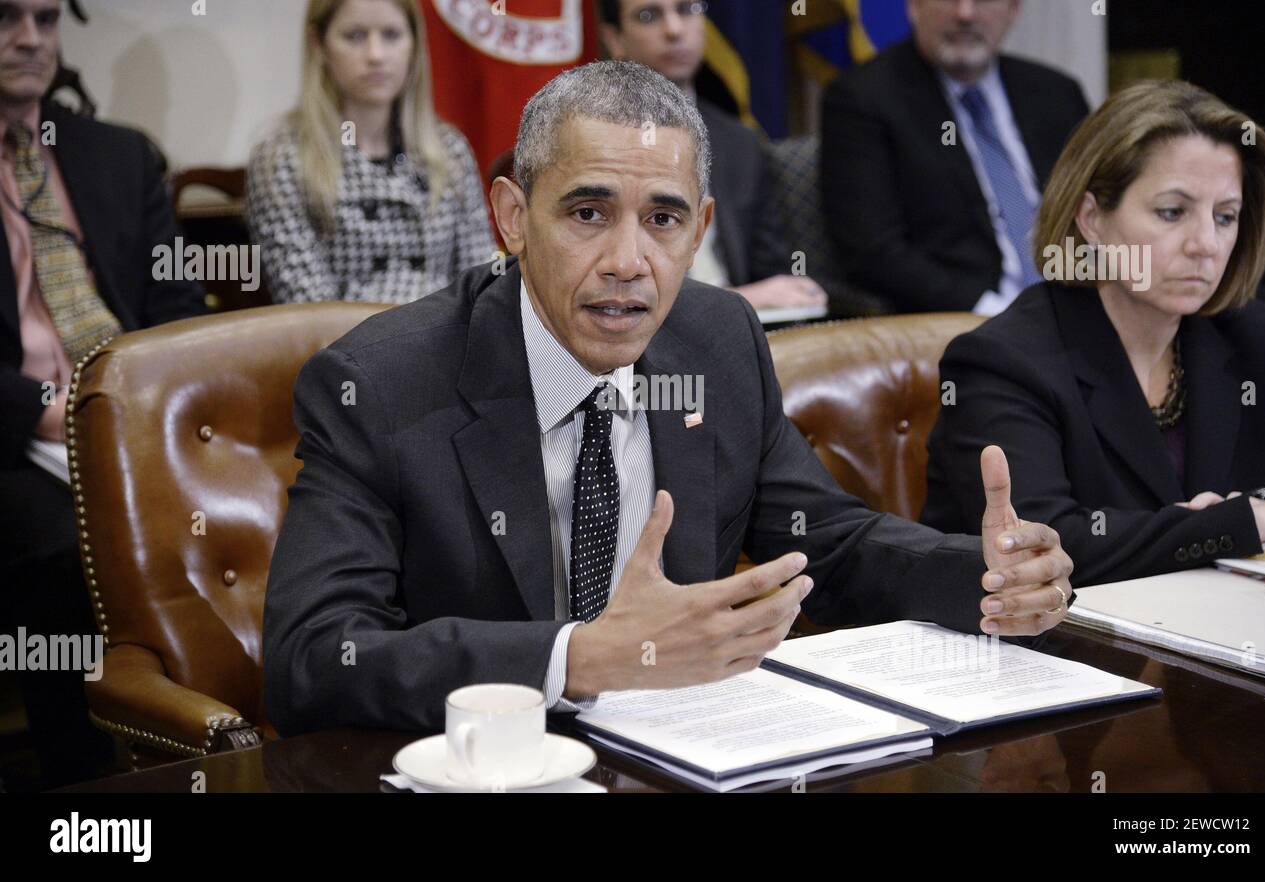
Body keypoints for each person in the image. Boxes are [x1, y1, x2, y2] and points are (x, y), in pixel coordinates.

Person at [263, 60, 1074, 735]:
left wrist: (982, 577)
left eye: (663, 219)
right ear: (512, 217)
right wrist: (578, 657)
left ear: (700, 229)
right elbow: (312, 656)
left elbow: (824, 542)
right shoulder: (381, 385)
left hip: (686, 752)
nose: (628, 259)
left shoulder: (717, 340)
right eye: (588, 212)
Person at [922, 80, 1265, 587]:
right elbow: (1044, 547)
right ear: (1093, 219)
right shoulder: (1003, 361)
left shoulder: (1257, 337)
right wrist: (1252, 520)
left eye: (1225, 217)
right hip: (1047, 651)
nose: (1206, 244)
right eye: (1172, 212)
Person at [0, 0, 205, 786]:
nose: (30, 39)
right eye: (9, 18)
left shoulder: (117, 156)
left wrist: (137, 407)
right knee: (58, 552)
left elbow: (179, 310)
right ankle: (85, 791)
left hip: (131, 416)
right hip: (17, 435)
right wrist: (47, 411)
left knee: (261, 508)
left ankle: (223, 749)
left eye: (47, 19)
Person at [821, 0, 1089, 314]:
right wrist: (992, 313)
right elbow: (873, 252)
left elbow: (1100, 209)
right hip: (967, 318)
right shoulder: (863, 99)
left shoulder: (1056, 93)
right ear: (914, 6)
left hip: (1077, 305)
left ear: (1014, 8)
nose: (965, 13)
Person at [245, 0, 496, 305]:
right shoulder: (281, 160)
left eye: (391, 35)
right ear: (318, 44)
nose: (376, 55)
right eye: (355, 36)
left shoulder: (449, 150)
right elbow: (309, 310)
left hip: (450, 344)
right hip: (345, 347)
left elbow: (482, 286)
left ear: (414, 44)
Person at [596, 0, 826, 312]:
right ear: (614, 39)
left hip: (743, 332)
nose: (674, 30)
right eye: (648, 15)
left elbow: (773, 271)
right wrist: (741, 299)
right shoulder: (597, 142)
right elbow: (610, 285)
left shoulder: (740, 142)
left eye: (687, 9)